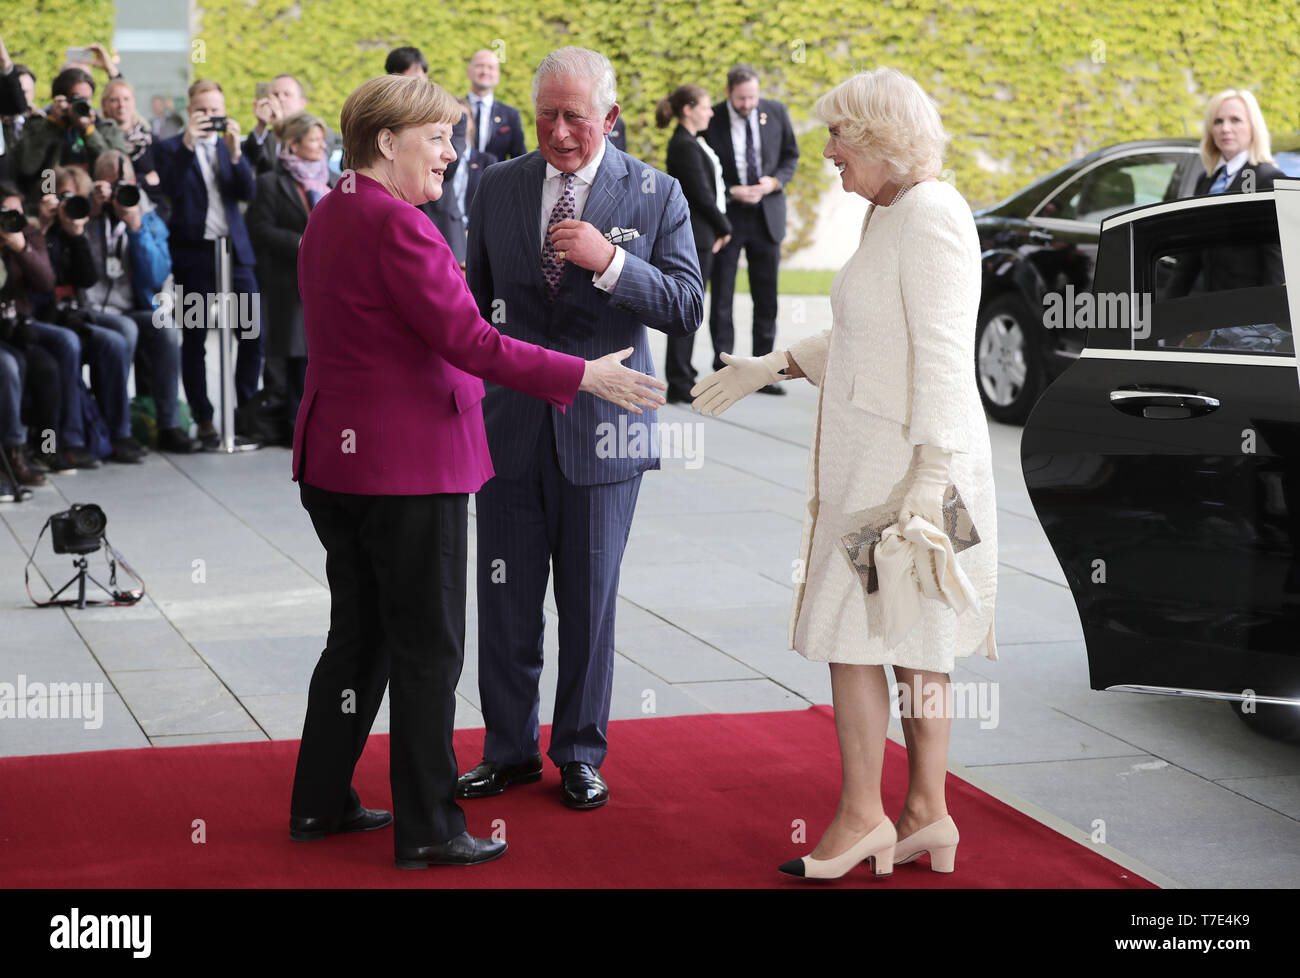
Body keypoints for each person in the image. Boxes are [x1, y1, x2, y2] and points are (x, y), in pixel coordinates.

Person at [288, 73, 665, 869]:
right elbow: (473, 342)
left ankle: (320, 801)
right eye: (438, 138)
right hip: (405, 468)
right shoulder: (402, 227)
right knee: (429, 648)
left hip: (337, 461)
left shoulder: (333, 209)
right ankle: (430, 827)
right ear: (387, 143)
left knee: (358, 636)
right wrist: (582, 375)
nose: (453, 152)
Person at [692, 68, 998, 881]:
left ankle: (866, 816)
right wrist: (773, 363)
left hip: (911, 471)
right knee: (911, 643)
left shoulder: (930, 213)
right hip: (885, 468)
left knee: (853, 635)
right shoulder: (891, 211)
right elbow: (868, 337)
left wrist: (930, 480)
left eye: (840, 136)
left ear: (882, 138)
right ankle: (927, 814)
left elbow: (939, 354)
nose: (826, 152)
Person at [458, 47, 702, 811]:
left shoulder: (657, 193)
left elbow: (688, 304)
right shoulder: (497, 185)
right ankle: (508, 750)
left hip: (606, 432)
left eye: (576, 117)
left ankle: (579, 753)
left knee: (589, 603)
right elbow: (474, 307)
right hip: (510, 430)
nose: (560, 133)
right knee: (504, 599)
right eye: (546, 116)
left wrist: (611, 266)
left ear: (612, 117)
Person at [153, 79, 262, 451]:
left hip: (235, 251)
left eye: (216, 110)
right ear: (190, 111)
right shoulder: (169, 148)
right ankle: (203, 418)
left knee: (251, 331)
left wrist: (234, 154)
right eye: (203, 110)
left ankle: (244, 411)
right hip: (194, 254)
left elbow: (246, 192)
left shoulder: (227, 146)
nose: (211, 117)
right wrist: (186, 145)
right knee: (195, 336)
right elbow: (170, 189)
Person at [81, 151, 194, 453]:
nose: (117, 194)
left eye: (122, 185)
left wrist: (136, 227)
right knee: (125, 331)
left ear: (132, 182)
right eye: (108, 186)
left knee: (166, 329)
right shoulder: (86, 213)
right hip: (94, 308)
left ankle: (168, 425)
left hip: (137, 304)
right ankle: (119, 431)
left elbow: (156, 275)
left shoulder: (147, 215)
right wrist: (91, 213)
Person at [1168, 89, 1288, 351]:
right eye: (1218, 121)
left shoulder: (1267, 179)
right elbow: (1189, 259)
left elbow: (1276, 262)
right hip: (1213, 321)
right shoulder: (1207, 181)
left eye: (1236, 120)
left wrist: (1268, 333)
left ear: (1253, 127)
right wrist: (1162, 320)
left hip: (1251, 329)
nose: (1226, 128)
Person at [703, 64, 798, 390]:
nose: (748, 104)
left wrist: (772, 182)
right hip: (727, 218)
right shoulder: (711, 118)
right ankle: (724, 367)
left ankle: (763, 371)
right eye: (742, 98)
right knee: (723, 295)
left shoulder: (775, 111)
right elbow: (703, 168)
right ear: (729, 93)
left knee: (766, 296)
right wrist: (731, 190)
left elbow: (790, 156)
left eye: (752, 97)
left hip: (766, 214)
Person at [245, 111, 337, 438]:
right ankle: (292, 426)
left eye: (321, 139)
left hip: (324, 282)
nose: (321, 146)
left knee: (316, 353)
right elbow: (260, 229)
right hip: (285, 281)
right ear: (294, 145)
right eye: (314, 140)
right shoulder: (271, 181)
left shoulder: (332, 179)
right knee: (291, 352)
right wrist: (301, 243)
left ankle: (312, 423)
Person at [657, 84, 731, 402]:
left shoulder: (692, 142)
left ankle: (683, 375)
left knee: (693, 306)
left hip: (704, 235)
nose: (711, 112)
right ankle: (679, 379)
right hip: (698, 237)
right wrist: (725, 227)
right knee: (688, 306)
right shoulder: (684, 145)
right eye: (705, 106)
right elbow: (701, 194)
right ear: (688, 109)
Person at [9, 66, 130, 209]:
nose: (82, 104)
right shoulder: (39, 124)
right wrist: (53, 125)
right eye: (76, 98)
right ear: (59, 99)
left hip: (95, 205)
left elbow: (116, 169)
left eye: (86, 99)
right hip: (48, 203)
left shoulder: (104, 127)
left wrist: (89, 131)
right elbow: (27, 167)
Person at [465, 49, 526, 161]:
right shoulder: (454, 108)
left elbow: (520, 158)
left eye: (491, 67)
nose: (485, 71)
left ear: (498, 76)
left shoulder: (511, 115)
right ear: (468, 71)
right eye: (479, 65)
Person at [243, 74, 307, 176]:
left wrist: (280, 124)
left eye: (287, 94)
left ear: (302, 103)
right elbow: (249, 160)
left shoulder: (318, 132)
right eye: (275, 95)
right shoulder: (267, 135)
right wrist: (261, 124)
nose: (280, 99)